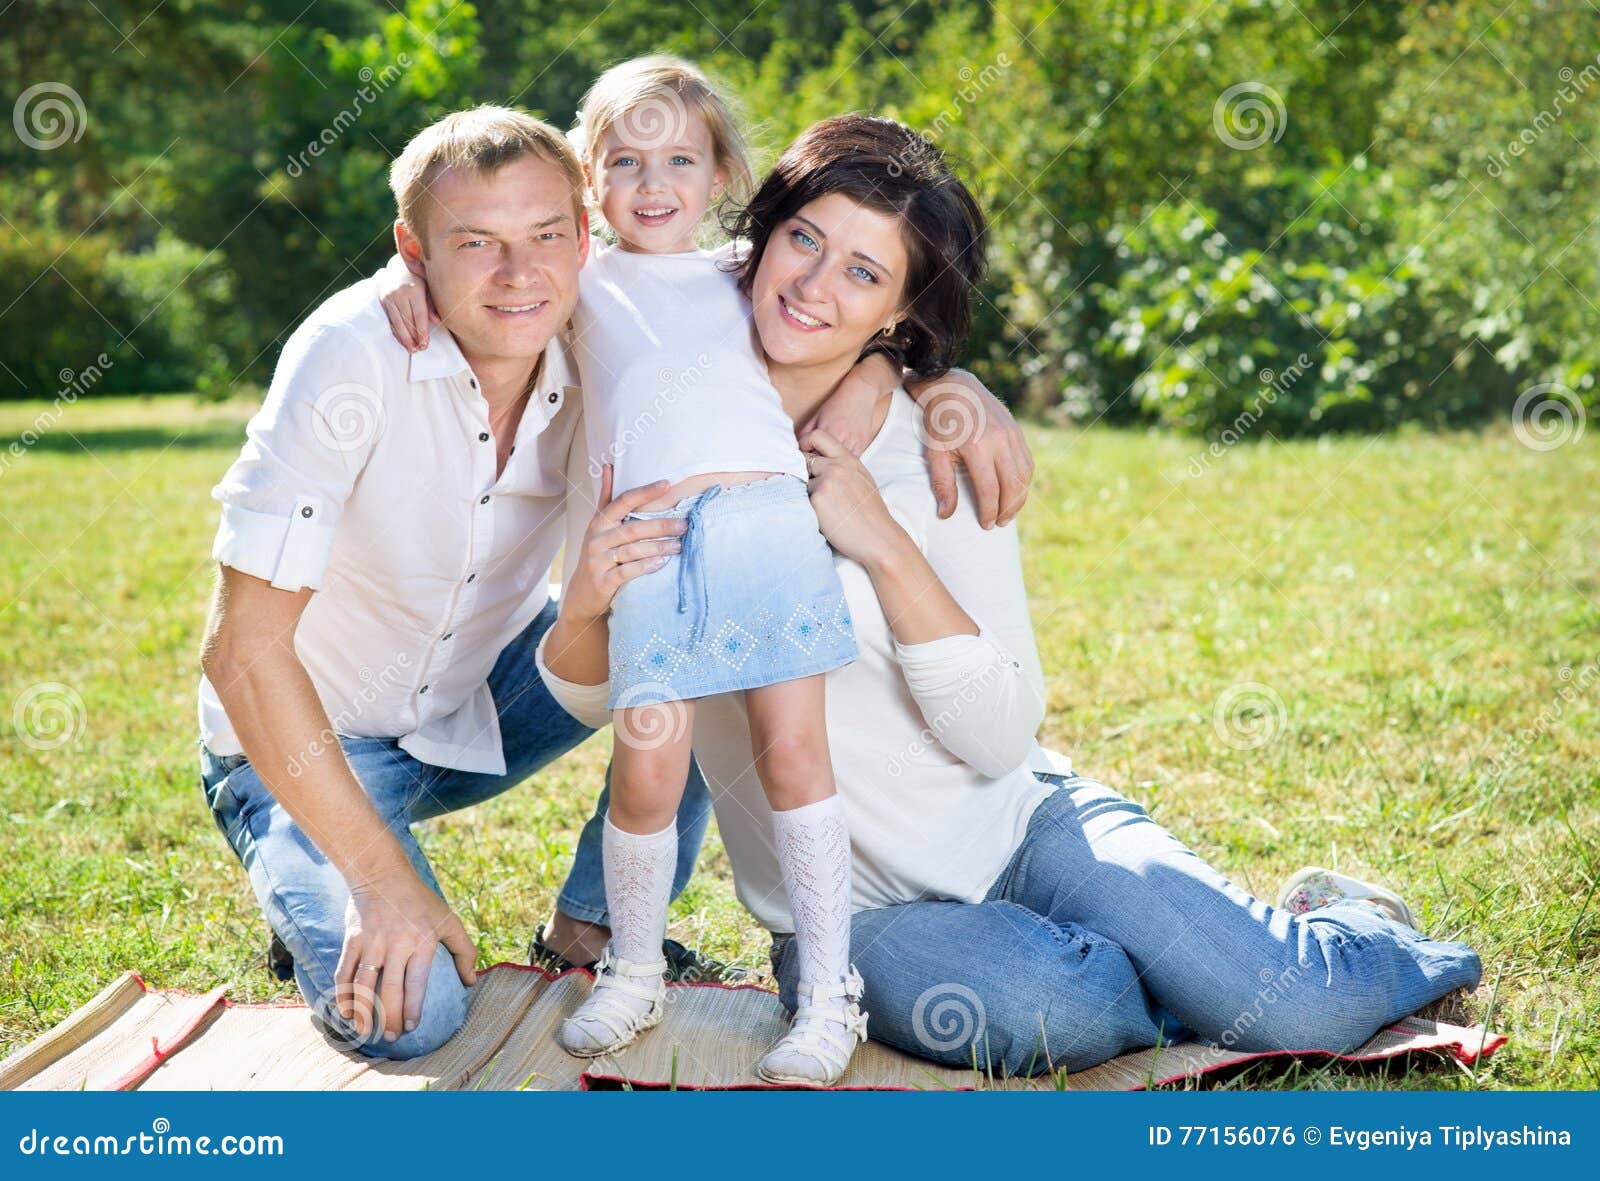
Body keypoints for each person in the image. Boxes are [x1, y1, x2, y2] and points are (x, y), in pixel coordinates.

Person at [537, 113, 1485, 1078]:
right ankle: (1195, 971)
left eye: (864, 274)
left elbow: (1000, 734)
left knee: (1306, 1000)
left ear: (899, 319)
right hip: (857, 923)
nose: (815, 287)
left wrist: (881, 538)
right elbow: (590, 694)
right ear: (761, 238)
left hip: (1026, 826)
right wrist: (584, 604)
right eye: (804, 240)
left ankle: (1338, 929)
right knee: (1050, 1010)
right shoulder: (647, 418)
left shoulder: (939, 440)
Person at [203, 103, 1030, 1063]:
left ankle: (594, 935)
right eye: (475, 244)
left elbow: (820, 304)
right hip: (307, 739)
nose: (518, 275)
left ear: (584, 231)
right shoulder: (355, 353)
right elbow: (240, 652)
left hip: (487, 696)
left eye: (547, 237)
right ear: (416, 251)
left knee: (685, 656)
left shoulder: (596, 316)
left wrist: (928, 377)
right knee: (412, 1016)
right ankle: (333, 863)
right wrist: (381, 882)